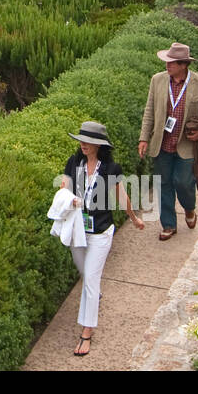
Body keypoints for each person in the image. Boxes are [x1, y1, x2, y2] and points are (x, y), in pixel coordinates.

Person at [60, 121, 143, 356]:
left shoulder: (110, 169)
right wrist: (67, 198)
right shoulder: (74, 161)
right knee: (86, 274)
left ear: (99, 145)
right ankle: (94, 294)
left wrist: (134, 218)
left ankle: (86, 332)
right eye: (81, 140)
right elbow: (64, 187)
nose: (83, 144)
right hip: (78, 230)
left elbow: (121, 196)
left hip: (101, 232)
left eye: (88, 141)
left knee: (90, 281)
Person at [138, 42, 198, 242]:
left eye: (171, 63)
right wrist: (144, 138)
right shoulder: (157, 80)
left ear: (183, 65)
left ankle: (190, 209)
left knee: (184, 182)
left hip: (186, 145)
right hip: (161, 143)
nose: (167, 65)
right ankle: (169, 225)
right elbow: (149, 111)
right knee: (163, 184)